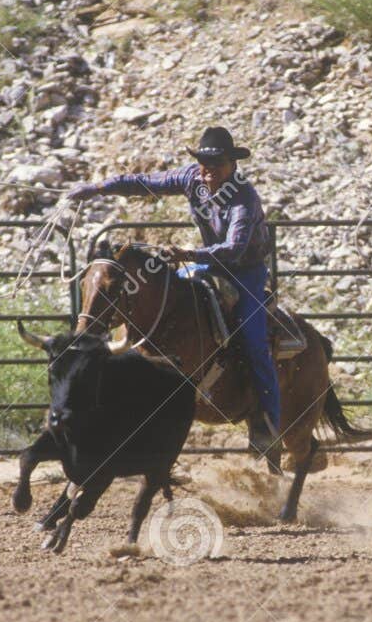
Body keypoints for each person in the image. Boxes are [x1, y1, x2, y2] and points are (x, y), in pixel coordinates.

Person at [66, 126, 281, 467]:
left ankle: (268, 425)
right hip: (208, 264)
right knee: (168, 297)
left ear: (232, 165)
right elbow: (145, 182)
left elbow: (235, 248)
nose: (207, 170)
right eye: (203, 163)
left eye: (216, 164)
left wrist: (191, 254)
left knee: (255, 341)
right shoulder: (191, 178)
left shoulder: (244, 198)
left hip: (245, 273)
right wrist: (97, 188)